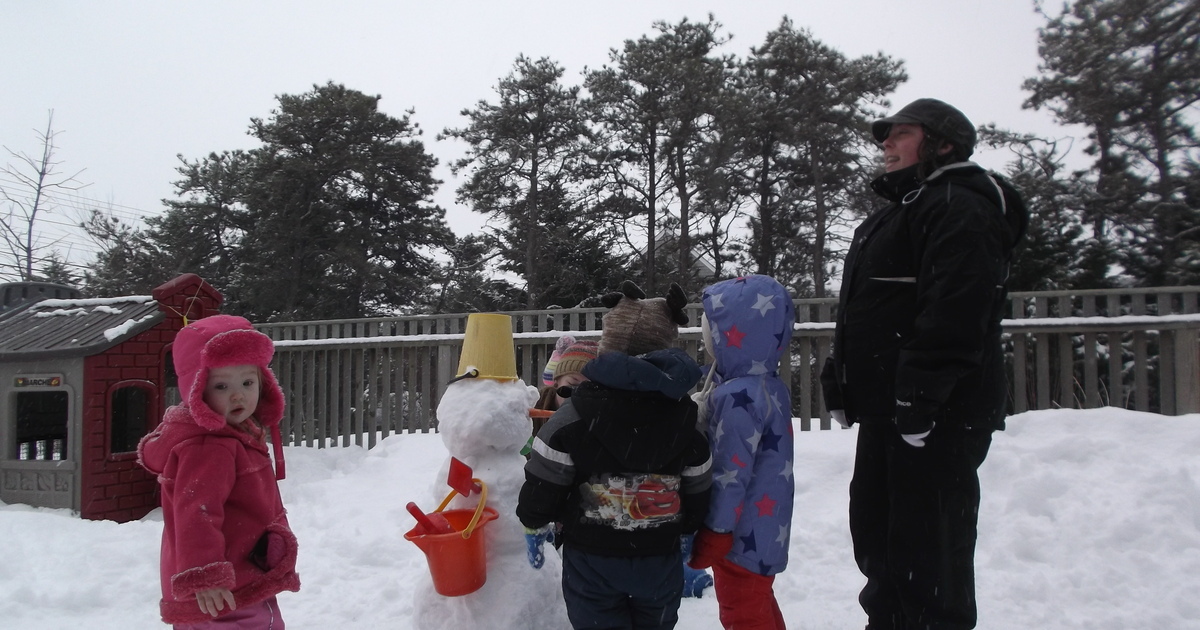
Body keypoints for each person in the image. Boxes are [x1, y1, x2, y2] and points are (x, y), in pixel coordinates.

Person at [821, 98, 1027, 630]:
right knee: (879, 542)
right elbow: (875, 306)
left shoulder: (961, 206)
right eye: (885, 135)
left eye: (901, 133)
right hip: (892, 411)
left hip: (938, 414)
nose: (886, 143)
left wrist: (921, 395)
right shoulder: (901, 211)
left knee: (928, 557)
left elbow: (956, 309)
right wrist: (842, 374)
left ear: (943, 143)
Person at [517, 280, 713, 630]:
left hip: (591, 558)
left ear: (607, 344)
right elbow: (698, 479)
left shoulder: (573, 417)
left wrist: (534, 519)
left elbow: (546, 473)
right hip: (658, 557)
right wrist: (689, 527)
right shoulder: (685, 419)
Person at [138, 315, 301, 628]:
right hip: (223, 590)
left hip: (239, 574)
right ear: (197, 390)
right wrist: (206, 575)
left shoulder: (235, 434)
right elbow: (197, 512)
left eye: (247, 383)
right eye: (222, 386)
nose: (238, 395)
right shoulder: (209, 446)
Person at [688, 274, 795, 630]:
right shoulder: (768, 386)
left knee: (743, 614)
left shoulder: (738, 397)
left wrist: (717, 530)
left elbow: (730, 473)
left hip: (738, 534)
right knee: (758, 605)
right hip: (765, 528)